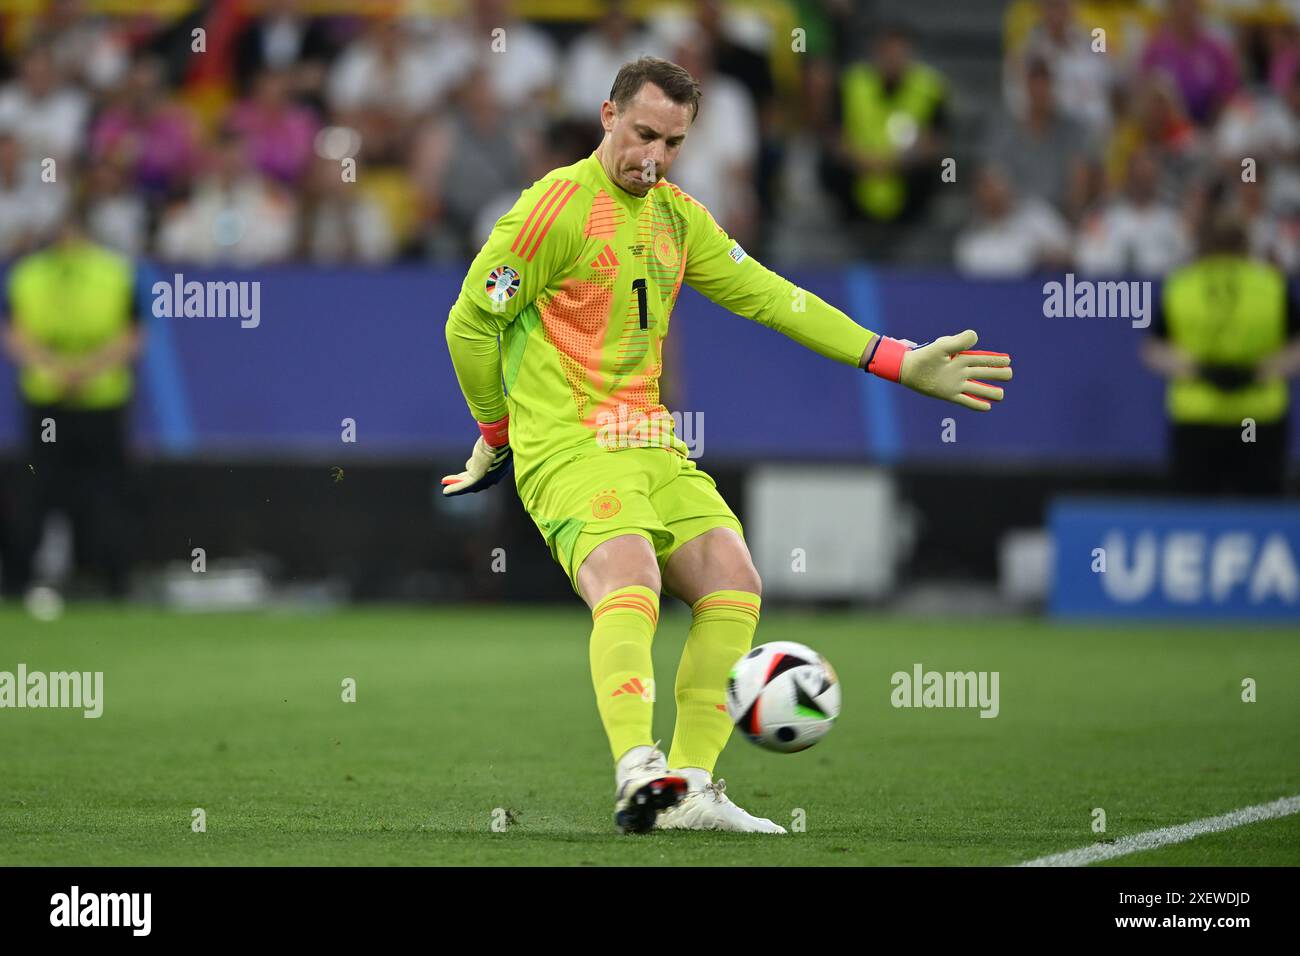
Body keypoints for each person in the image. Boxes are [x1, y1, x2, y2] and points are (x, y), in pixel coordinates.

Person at [440, 57, 1013, 834]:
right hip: (568, 444)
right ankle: (636, 765)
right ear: (607, 116)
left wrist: (896, 359)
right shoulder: (555, 208)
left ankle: (691, 789)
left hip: (650, 440)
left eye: (674, 142)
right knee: (631, 575)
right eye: (644, 134)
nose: (655, 157)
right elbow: (470, 323)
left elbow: (777, 298)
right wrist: (497, 432)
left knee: (733, 582)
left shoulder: (678, 218)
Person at [0, 205, 146, 599]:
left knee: (89, 493)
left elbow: (133, 335)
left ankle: (110, 580)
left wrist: (63, 369)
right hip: (77, 399)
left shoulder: (105, 273)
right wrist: (78, 370)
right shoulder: (105, 271)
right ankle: (31, 580)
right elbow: (13, 334)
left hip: (77, 399)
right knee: (51, 491)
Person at [1142, 211, 1300, 496]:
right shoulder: (1271, 285)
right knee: (1260, 512)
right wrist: (1256, 372)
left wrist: (1202, 371)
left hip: (1197, 416)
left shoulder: (1181, 286)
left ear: (1201, 245)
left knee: (1195, 514)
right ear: (1245, 246)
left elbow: (1154, 351)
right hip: (1258, 417)